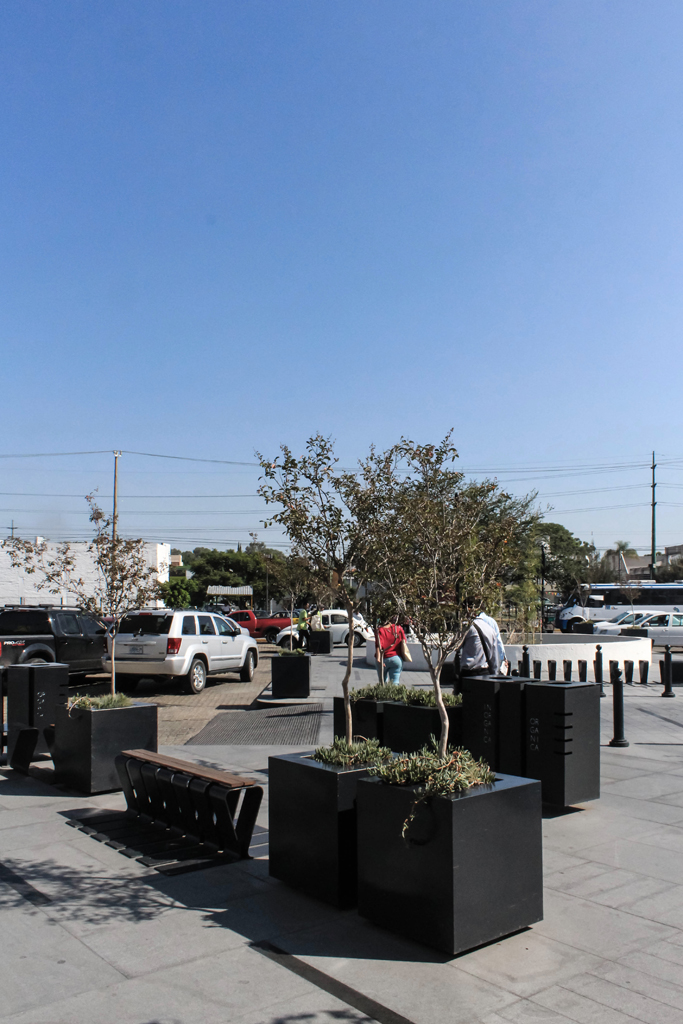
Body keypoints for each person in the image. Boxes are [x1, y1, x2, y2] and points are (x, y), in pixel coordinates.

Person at [459, 611, 508, 678]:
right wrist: (495, 673)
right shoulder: (491, 627)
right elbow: (495, 653)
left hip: (469, 672)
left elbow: (456, 647)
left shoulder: (467, 627)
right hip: (485, 672)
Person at [374, 616, 407, 685]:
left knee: (382, 682)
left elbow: (379, 646)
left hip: (383, 658)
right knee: (395, 682)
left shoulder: (379, 630)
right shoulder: (399, 628)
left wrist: (378, 659)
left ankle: (384, 695)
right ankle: (394, 695)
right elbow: (404, 642)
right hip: (396, 658)